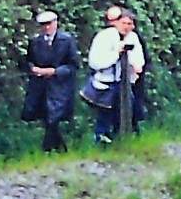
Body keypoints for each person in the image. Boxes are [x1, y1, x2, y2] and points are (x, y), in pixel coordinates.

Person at [83, 8, 146, 143]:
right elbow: (95, 62)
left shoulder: (133, 37)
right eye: (124, 23)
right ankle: (100, 139)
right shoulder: (104, 37)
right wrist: (115, 54)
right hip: (105, 83)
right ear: (116, 23)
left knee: (128, 108)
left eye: (130, 24)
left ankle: (121, 138)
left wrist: (136, 65)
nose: (127, 27)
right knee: (104, 113)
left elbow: (138, 58)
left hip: (124, 83)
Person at [21, 10, 78, 151]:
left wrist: (55, 72)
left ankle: (48, 149)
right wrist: (34, 70)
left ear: (56, 23)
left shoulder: (67, 40)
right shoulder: (34, 41)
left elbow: (73, 65)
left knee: (54, 117)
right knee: (45, 117)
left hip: (60, 86)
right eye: (43, 25)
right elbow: (27, 62)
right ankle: (58, 149)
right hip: (40, 86)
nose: (46, 28)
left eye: (49, 24)